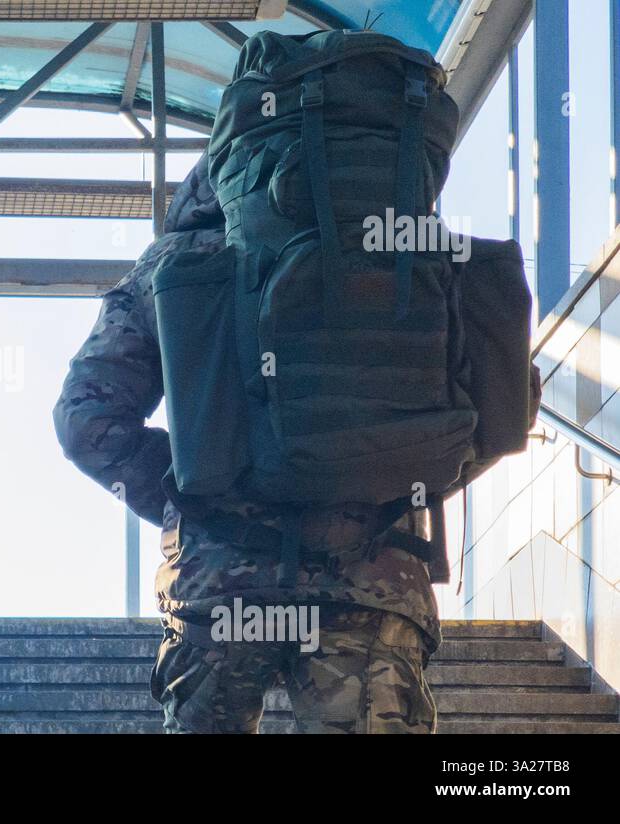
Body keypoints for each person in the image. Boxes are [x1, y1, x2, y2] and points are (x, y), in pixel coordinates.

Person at [52, 157, 440, 734]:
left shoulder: (173, 263)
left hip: (219, 579)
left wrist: (192, 495)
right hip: (370, 574)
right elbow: (497, 403)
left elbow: (86, 420)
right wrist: (398, 484)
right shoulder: (401, 248)